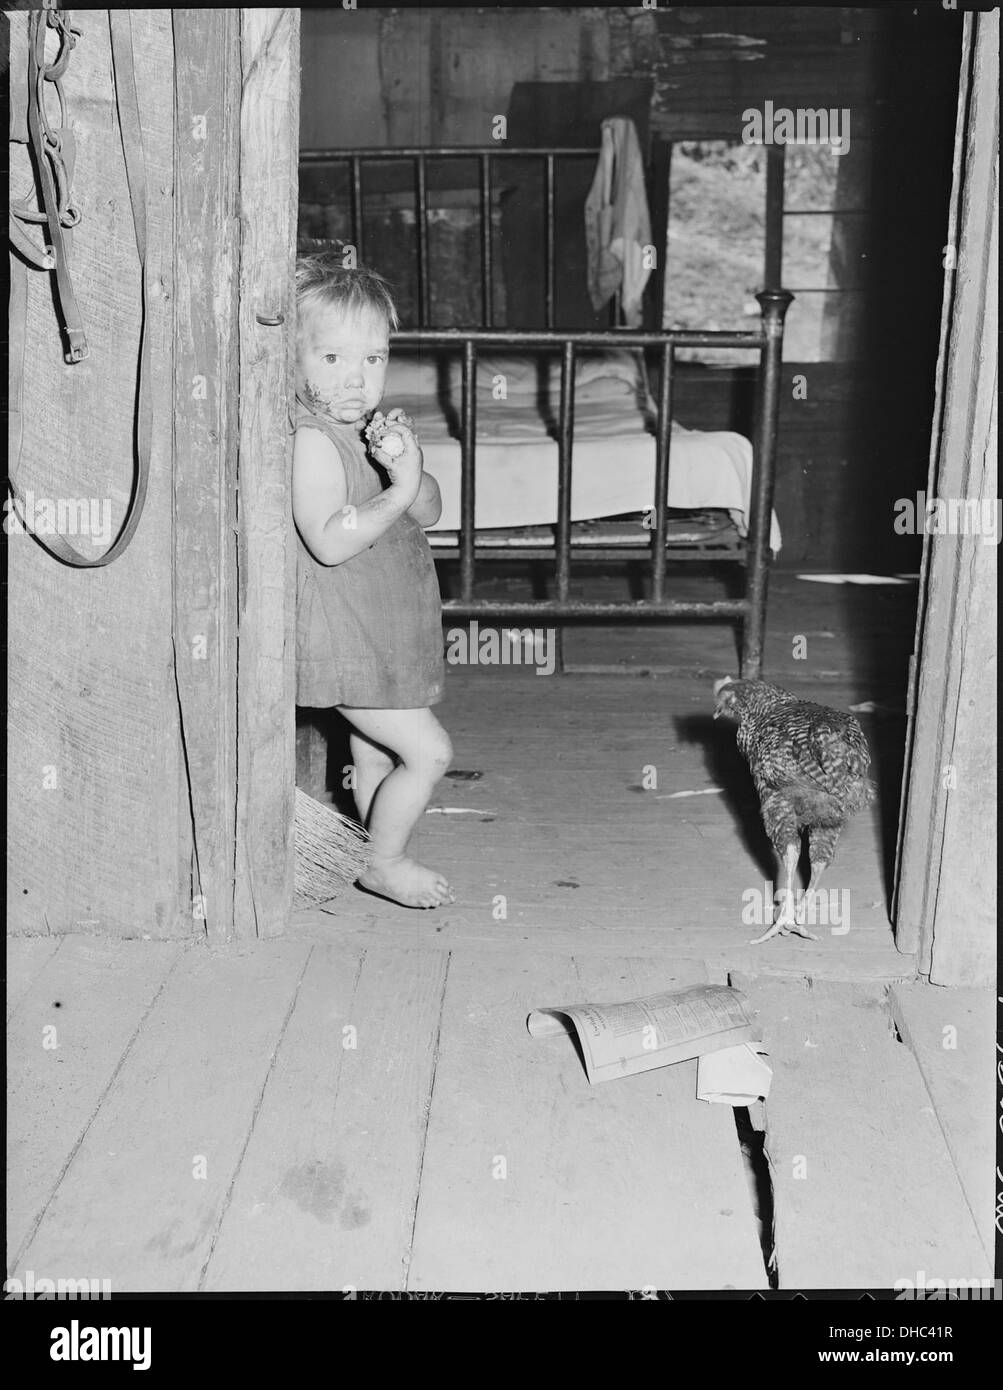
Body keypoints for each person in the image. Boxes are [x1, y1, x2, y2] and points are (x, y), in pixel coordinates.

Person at [292, 253, 454, 908]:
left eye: (373, 358)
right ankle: (382, 861)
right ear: (292, 357)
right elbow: (330, 542)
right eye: (332, 358)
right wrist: (398, 491)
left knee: (376, 754)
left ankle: (363, 846)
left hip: (389, 627)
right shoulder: (312, 441)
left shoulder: (364, 428)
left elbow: (432, 509)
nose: (356, 377)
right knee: (430, 753)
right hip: (346, 636)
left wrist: (407, 466)